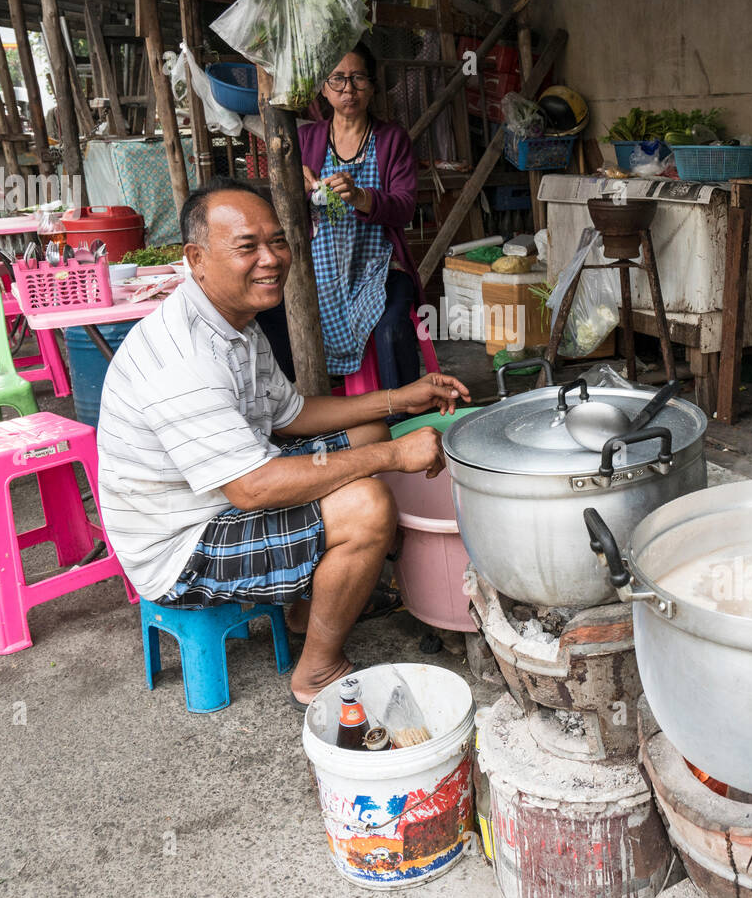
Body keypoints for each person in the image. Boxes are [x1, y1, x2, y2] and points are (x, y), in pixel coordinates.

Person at [95, 176, 471, 707]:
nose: (270, 259)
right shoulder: (183, 357)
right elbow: (253, 488)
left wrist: (398, 399)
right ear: (196, 258)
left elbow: (291, 414)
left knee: (366, 431)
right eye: (247, 247)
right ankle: (317, 671)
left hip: (224, 493)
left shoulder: (238, 323)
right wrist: (392, 456)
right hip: (180, 546)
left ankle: (304, 610)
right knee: (366, 504)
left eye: (277, 242)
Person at [299, 43, 425, 389]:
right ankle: (318, 412)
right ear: (324, 87)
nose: (348, 90)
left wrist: (359, 196)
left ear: (372, 85)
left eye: (358, 79)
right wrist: (302, 187)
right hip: (322, 270)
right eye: (338, 79)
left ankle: (401, 413)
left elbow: (404, 207)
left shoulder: (391, 139)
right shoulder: (305, 139)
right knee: (286, 319)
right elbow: (286, 208)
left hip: (379, 267)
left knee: (390, 327)